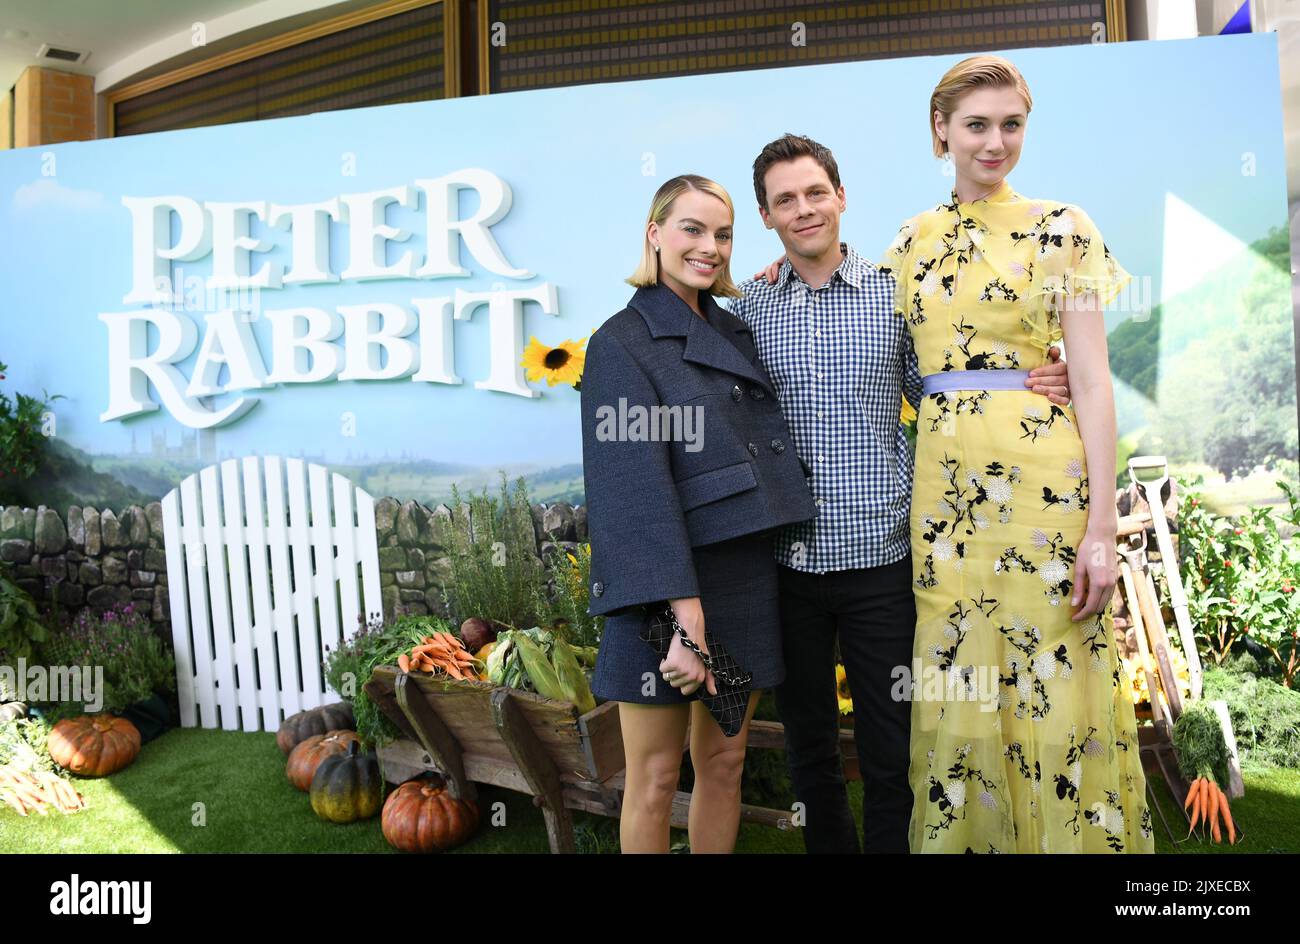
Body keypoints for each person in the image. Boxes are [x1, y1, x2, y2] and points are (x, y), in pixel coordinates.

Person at [743, 134, 1071, 853]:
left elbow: (948, 394)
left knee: (891, 754)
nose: (804, 211)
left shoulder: (900, 295)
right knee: (812, 754)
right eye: (785, 201)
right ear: (766, 217)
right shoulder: (750, 309)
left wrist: (1046, 376)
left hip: (883, 566)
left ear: (841, 196)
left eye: (815, 193)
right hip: (788, 569)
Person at [875, 54, 1154, 852]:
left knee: (1058, 683)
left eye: (1011, 124)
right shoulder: (910, 241)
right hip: (944, 504)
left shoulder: (1065, 227)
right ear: (941, 131)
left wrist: (1102, 527)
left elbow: (1095, 386)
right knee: (957, 681)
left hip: (1045, 492)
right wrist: (764, 280)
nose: (995, 143)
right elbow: (869, 342)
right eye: (976, 125)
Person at [580, 174, 817, 853]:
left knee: (724, 764)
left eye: (723, 234)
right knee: (653, 777)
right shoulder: (619, 342)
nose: (709, 247)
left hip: (740, 578)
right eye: (692, 229)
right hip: (659, 593)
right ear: (655, 234)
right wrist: (684, 614)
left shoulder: (736, 331)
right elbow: (631, 487)